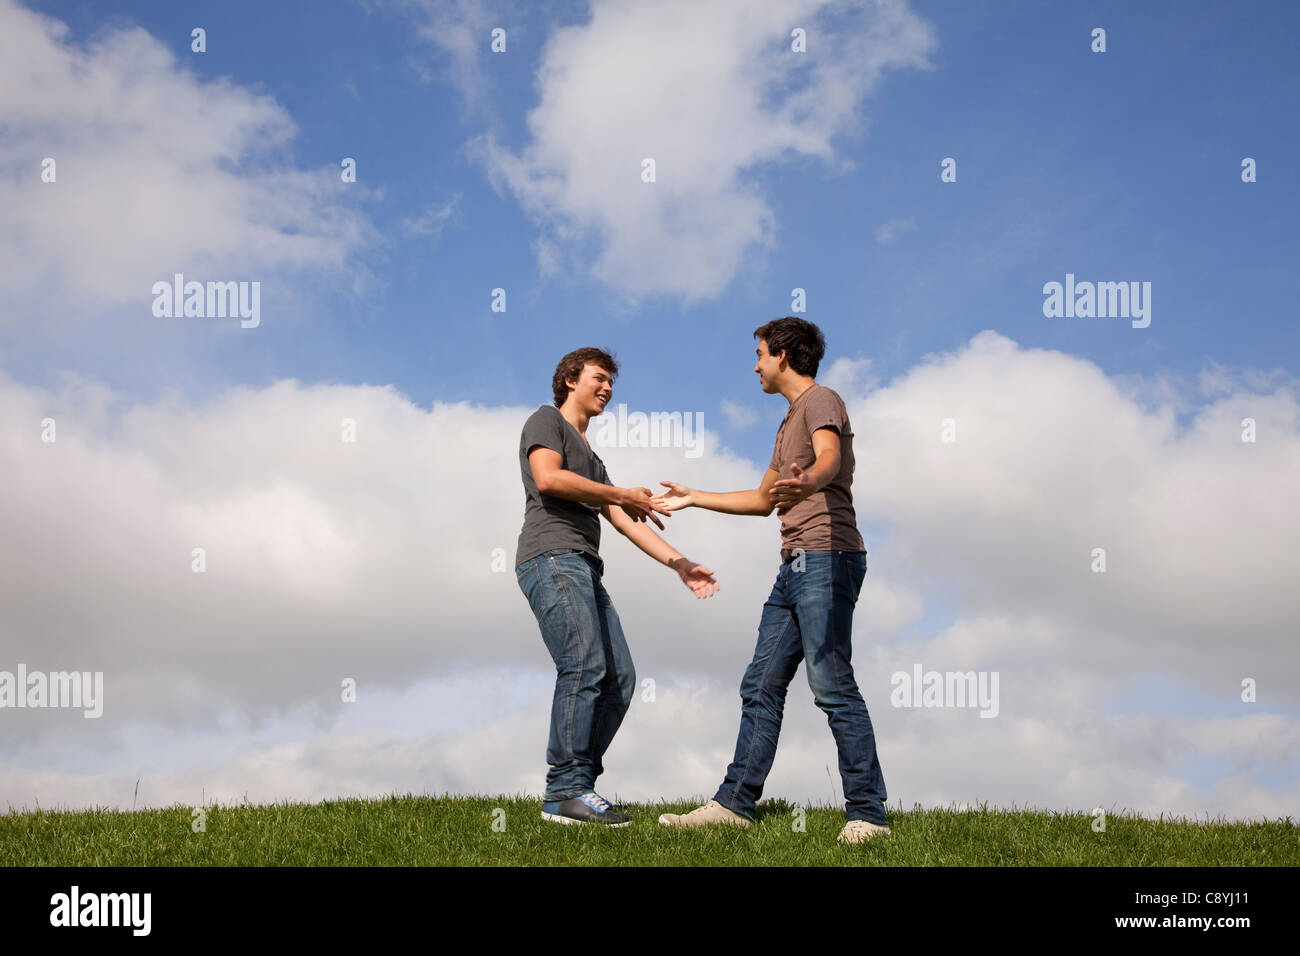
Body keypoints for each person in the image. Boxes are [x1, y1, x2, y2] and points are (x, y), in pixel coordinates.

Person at [654, 317, 890, 844]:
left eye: (760, 353)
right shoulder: (787, 424)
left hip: (829, 555)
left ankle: (869, 814)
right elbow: (763, 501)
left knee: (830, 683)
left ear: (782, 355)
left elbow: (828, 458)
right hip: (795, 564)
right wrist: (694, 497)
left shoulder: (822, 400)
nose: (755, 365)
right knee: (760, 684)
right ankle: (735, 803)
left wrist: (807, 479)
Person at [515, 346, 720, 827]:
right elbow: (548, 478)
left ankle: (578, 786)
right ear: (570, 379)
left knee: (619, 679)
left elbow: (625, 522)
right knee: (583, 664)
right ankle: (563, 790)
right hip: (551, 557)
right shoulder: (546, 421)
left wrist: (681, 564)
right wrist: (620, 493)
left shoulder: (592, 457)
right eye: (599, 378)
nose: (607, 388)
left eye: (612, 382)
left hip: (584, 564)